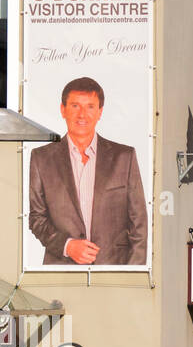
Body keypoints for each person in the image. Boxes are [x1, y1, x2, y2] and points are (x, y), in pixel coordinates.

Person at [28, 77, 148, 267]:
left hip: (113, 274)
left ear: (100, 112)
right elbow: (36, 218)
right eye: (75, 106)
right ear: (63, 109)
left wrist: (132, 277)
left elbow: (138, 224)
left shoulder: (124, 157)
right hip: (61, 274)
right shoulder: (41, 158)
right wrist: (67, 246)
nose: (82, 115)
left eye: (90, 107)